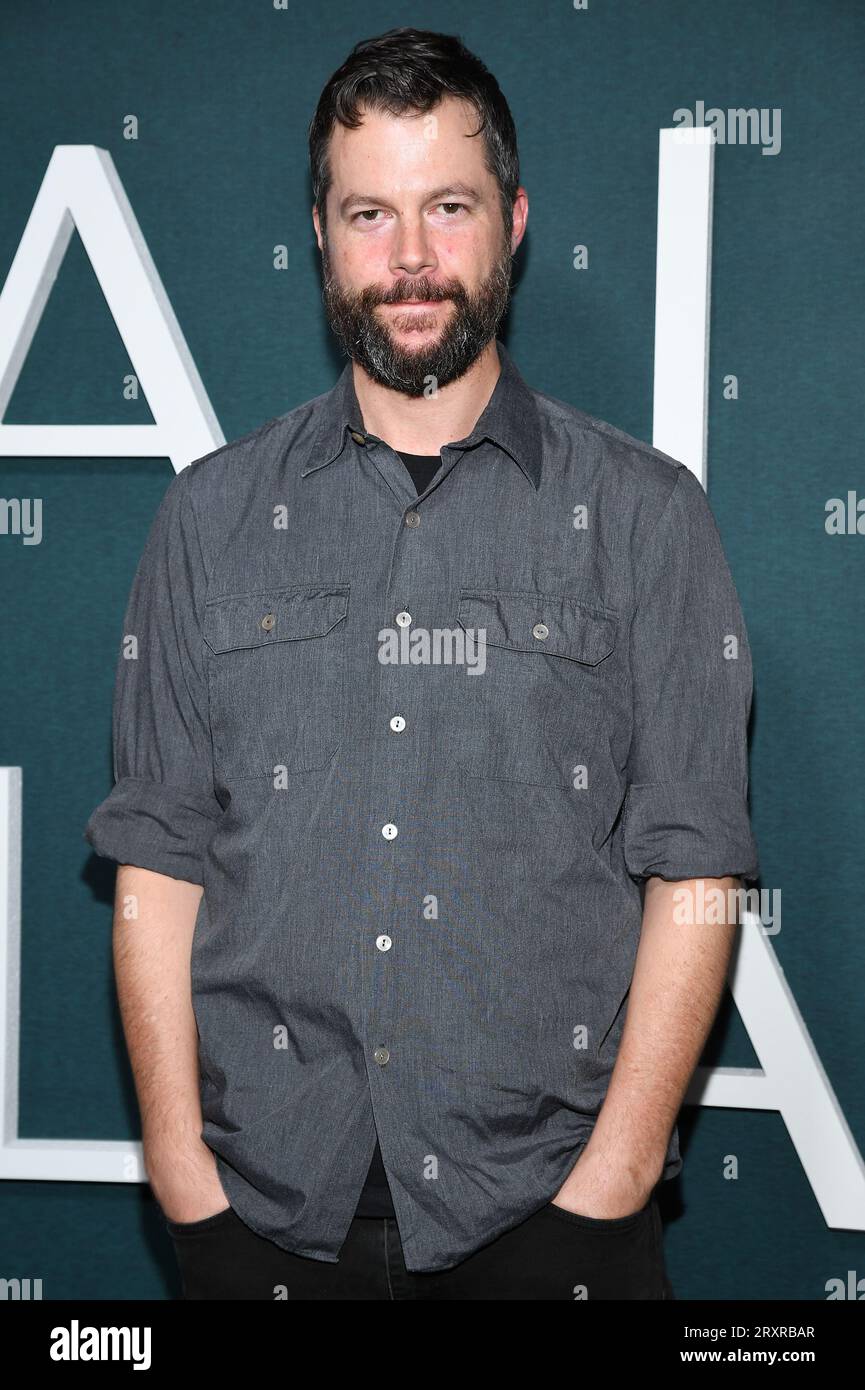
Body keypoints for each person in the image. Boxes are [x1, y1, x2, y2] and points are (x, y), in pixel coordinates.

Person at [84, 26, 760, 1300]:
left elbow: (700, 866)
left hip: (551, 1223)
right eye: (368, 214)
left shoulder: (643, 516)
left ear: (510, 221)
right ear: (324, 238)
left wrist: (607, 1192)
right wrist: (182, 1179)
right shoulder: (208, 521)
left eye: (445, 208)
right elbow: (157, 861)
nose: (408, 259)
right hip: (266, 1223)